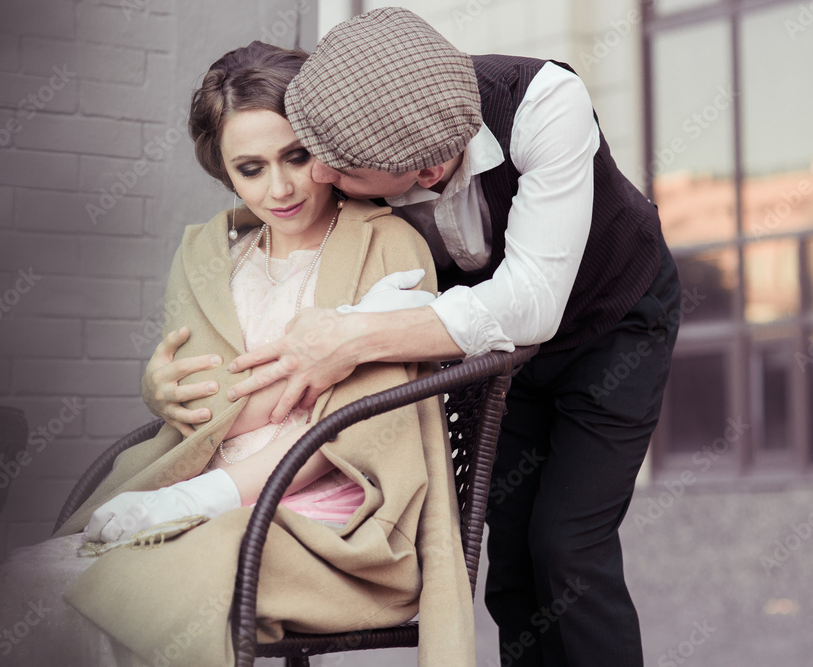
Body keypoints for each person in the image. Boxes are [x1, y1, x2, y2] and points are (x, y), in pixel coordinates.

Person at [142, 8, 682, 667]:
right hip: (484, 354)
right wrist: (169, 383)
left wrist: (354, 337)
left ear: (423, 172)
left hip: (611, 325)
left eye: (338, 172)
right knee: (510, 557)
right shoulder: (367, 157)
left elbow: (534, 304)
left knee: (568, 546)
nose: (317, 179)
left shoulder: (545, 104)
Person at [0, 41, 475, 667]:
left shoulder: (385, 242)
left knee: (131, 596)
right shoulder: (210, 255)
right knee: (25, 580)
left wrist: (201, 482)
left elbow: (350, 426)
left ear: (328, 149)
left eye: (297, 156)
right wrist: (169, 398)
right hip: (199, 486)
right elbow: (204, 410)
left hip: (327, 519)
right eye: (250, 168)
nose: (279, 187)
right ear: (224, 171)